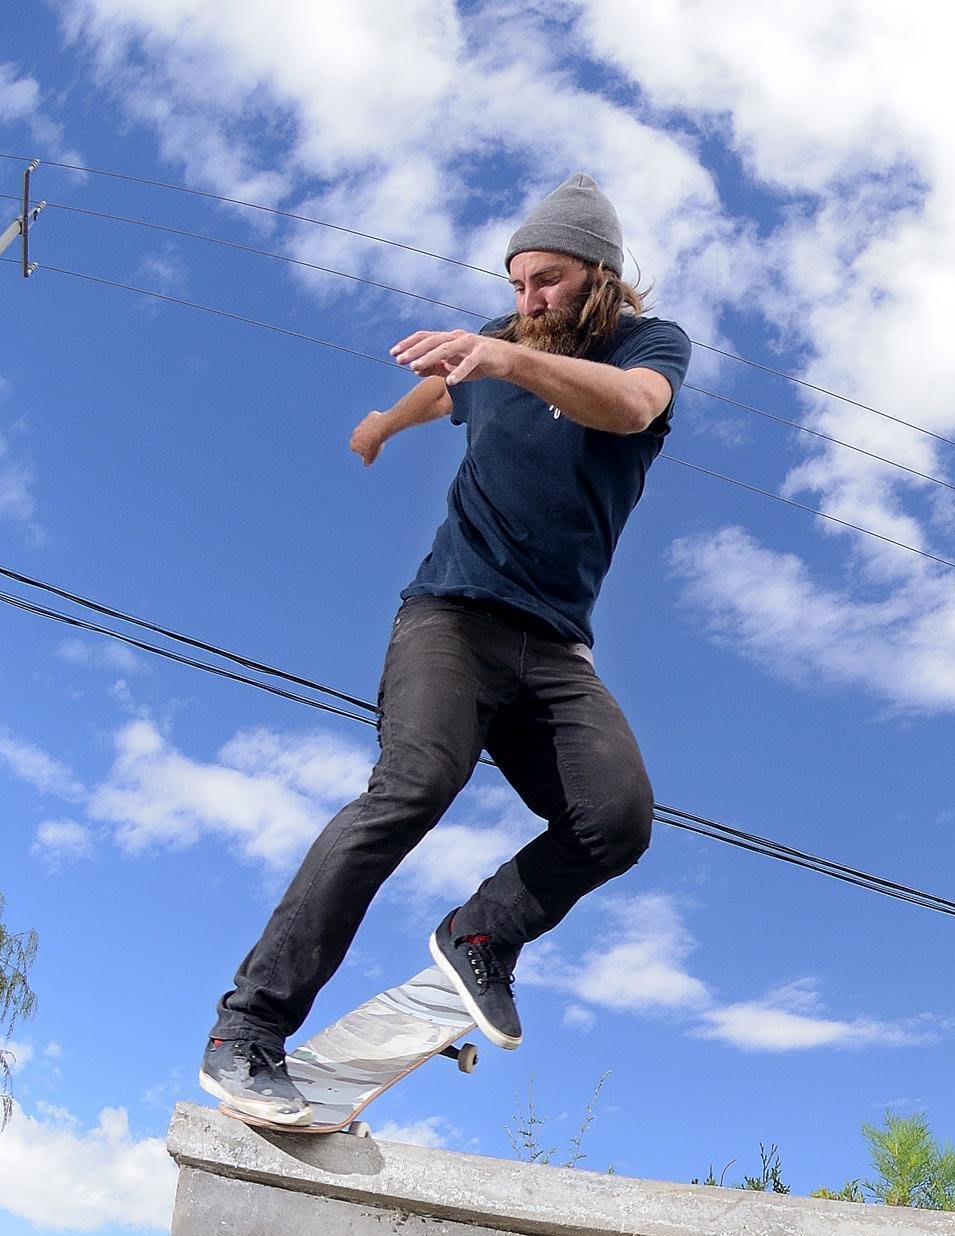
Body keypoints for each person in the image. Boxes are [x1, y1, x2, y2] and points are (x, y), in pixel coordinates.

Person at [198, 174, 689, 1128]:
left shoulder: (642, 348)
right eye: (513, 286)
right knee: (413, 786)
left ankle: (480, 935)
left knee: (616, 819)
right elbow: (439, 392)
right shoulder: (496, 348)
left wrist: (500, 363)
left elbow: (630, 407)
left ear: (599, 275)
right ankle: (247, 1028)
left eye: (545, 281)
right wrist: (384, 422)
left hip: (553, 651)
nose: (524, 304)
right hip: (448, 621)